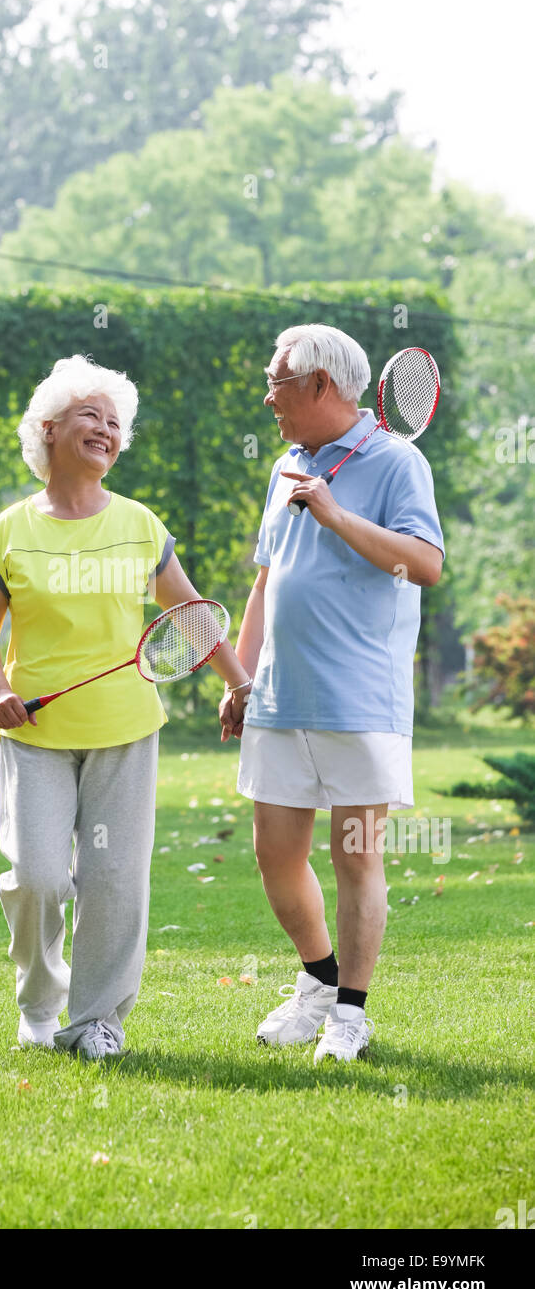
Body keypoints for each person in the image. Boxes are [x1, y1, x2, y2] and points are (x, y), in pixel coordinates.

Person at [0, 354, 251, 1059]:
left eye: (116, 422)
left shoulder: (139, 525)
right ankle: (40, 999)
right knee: (37, 877)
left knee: (115, 878)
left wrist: (238, 682)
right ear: (48, 429)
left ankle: (96, 1020)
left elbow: (190, 613)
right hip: (35, 735)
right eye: (90, 415)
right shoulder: (10, 531)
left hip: (126, 730)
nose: (107, 430)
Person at [219, 325, 444, 1063]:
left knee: (356, 857)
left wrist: (337, 513)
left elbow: (426, 565)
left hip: (360, 699)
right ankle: (318, 980)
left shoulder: (397, 461)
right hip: (280, 696)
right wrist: (243, 677)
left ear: (320, 384)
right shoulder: (286, 463)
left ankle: (351, 1011)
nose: (267, 395)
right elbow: (266, 578)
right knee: (274, 855)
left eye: (277, 380)